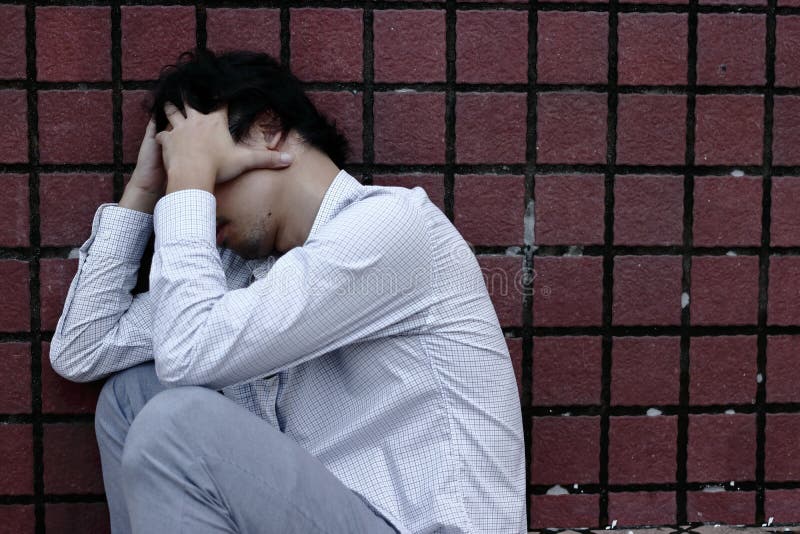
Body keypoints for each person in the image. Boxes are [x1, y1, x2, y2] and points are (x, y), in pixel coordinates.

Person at [49, 48, 526, 534]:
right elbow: (83, 347)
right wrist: (143, 192)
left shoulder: (391, 228)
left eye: (205, 170)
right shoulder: (245, 272)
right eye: (179, 184)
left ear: (266, 129)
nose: (196, 214)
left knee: (173, 427)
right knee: (132, 398)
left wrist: (190, 182)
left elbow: (188, 352)